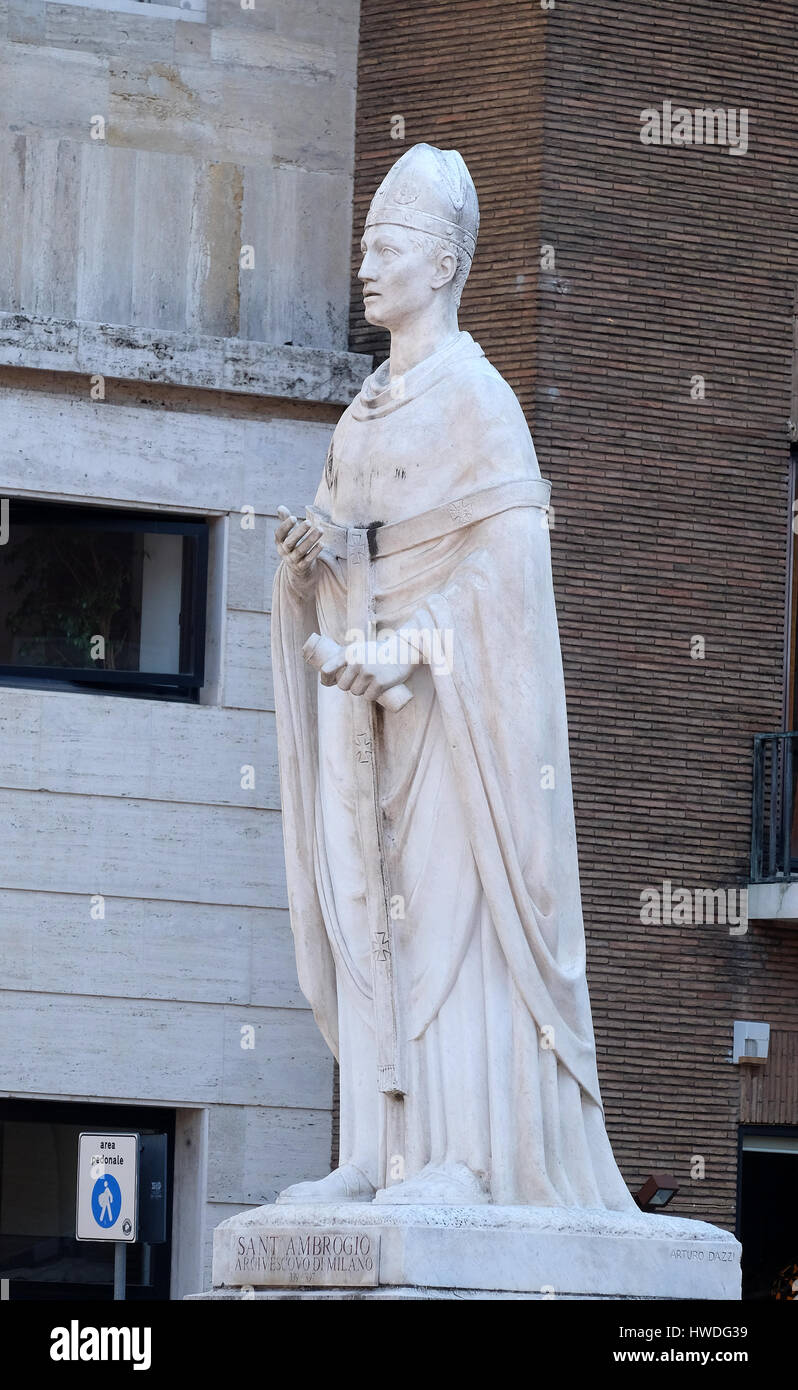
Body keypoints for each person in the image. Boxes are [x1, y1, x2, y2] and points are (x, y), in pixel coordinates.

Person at [271, 144, 634, 1210]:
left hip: (450, 713)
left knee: (444, 915)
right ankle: (373, 1150)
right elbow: (344, 550)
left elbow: (511, 571)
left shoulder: (481, 401)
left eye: (385, 248)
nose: (366, 268)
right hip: (363, 712)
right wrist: (312, 569)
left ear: (441, 263)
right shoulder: (360, 413)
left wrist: (417, 637)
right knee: (367, 911)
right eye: (366, 248)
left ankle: (463, 1160)